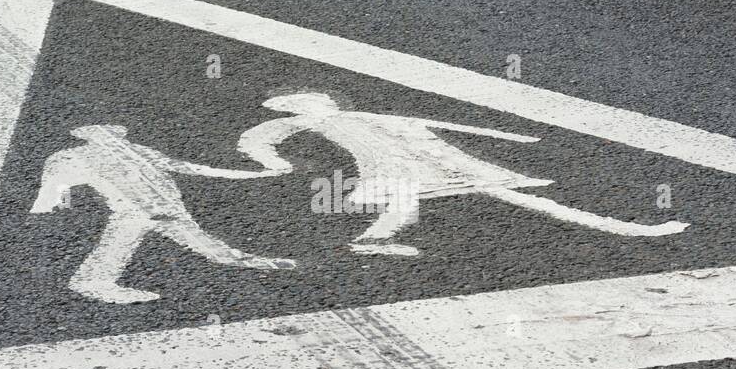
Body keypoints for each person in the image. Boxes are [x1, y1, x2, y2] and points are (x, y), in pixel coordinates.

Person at [237, 93, 687, 256]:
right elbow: (264, 138)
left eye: (320, 101)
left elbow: (451, 127)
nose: (321, 106)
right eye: (307, 104)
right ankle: (374, 241)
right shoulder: (308, 125)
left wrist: (511, 138)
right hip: (393, 167)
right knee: (405, 197)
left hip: (444, 161)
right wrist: (274, 163)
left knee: (510, 194)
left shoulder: (371, 115)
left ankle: (626, 228)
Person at [31, 125, 294, 304]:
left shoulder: (142, 151)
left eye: (112, 133)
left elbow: (190, 168)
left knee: (200, 242)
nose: (110, 136)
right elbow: (56, 181)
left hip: (168, 208)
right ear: (88, 138)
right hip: (133, 209)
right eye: (102, 134)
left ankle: (239, 260)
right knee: (117, 244)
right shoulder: (77, 156)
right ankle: (92, 281)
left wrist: (252, 174)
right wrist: (47, 204)